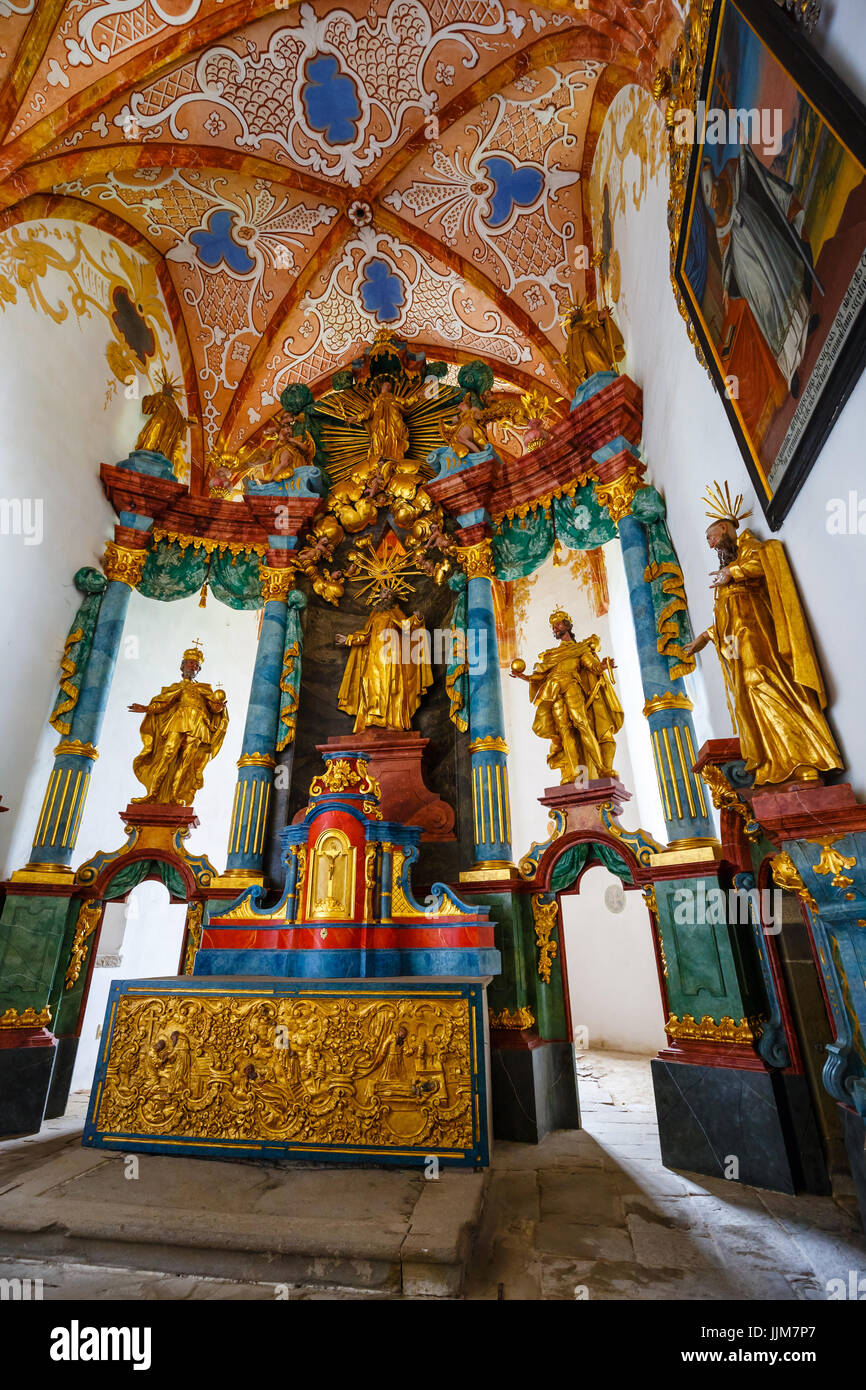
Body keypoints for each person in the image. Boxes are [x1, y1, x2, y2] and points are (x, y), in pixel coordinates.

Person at [684, 483, 842, 785]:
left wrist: (733, 573)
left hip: (758, 634)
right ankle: (774, 762)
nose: (710, 544)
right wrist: (704, 637)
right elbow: (724, 614)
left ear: (724, 529)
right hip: (734, 642)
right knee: (747, 693)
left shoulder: (749, 548)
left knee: (766, 681)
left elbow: (764, 562)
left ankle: (803, 756)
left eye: (711, 537)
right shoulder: (729, 564)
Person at [512, 609, 622, 783]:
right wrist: (522, 677)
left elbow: (592, 667)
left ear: (568, 626)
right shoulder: (551, 655)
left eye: (559, 624)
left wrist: (602, 666)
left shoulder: (580, 649)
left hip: (571, 686)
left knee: (582, 725)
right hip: (553, 691)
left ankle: (601, 769)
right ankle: (577, 774)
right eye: (553, 626)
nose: (555, 628)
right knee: (565, 733)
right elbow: (540, 678)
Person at [129, 643, 228, 805]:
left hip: (199, 726)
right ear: (182, 666)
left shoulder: (205, 690)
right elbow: (164, 704)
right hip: (179, 721)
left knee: (186, 762)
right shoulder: (177, 688)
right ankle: (153, 794)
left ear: (199, 670)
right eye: (190, 663)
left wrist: (219, 707)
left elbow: (213, 708)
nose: (193, 666)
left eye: (196, 665)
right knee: (166, 755)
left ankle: (175, 795)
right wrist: (146, 708)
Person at [336, 587, 432, 733]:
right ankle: (370, 721)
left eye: (389, 593)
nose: (386, 595)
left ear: (393, 598)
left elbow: (407, 627)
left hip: (391, 657)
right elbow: (366, 635)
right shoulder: (374, 614)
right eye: (384, 592)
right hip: (372, 658)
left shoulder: (395, 612)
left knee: (391, 686)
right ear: (379, 595)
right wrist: (348, 639)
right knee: (369, 686)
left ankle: (392, 722)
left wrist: (417, 619)